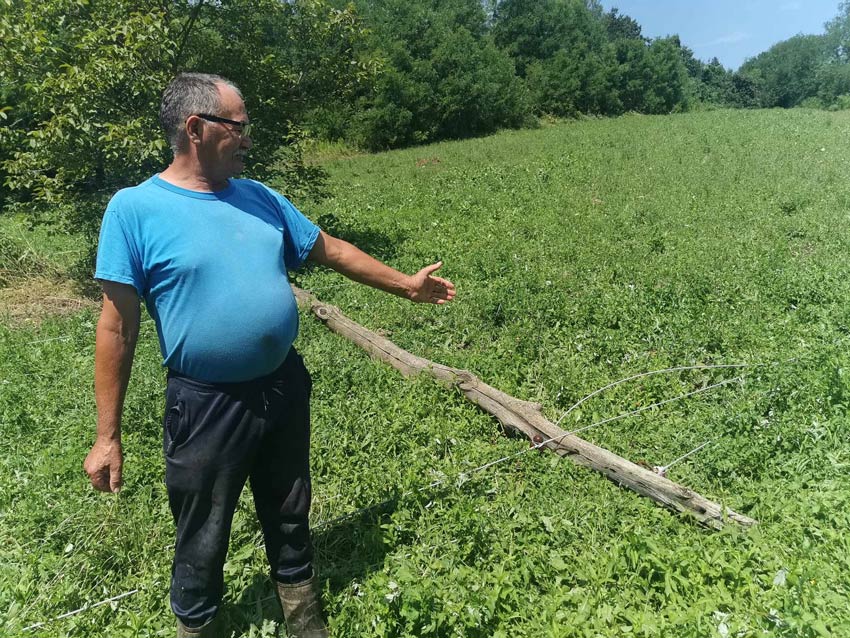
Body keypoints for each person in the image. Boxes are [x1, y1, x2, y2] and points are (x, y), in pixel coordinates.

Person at [83, 72, 455, 638]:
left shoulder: (260, 198)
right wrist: (107, 435)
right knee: (202, 530)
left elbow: (329, 249)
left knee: (289, 508)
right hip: (206, 404)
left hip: (282, 385)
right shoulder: (135, 210)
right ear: (196, 128)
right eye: (238, 125)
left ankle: (304, 619)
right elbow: (116, 329)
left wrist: (405, 285)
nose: (248, 138)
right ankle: (199, 626)